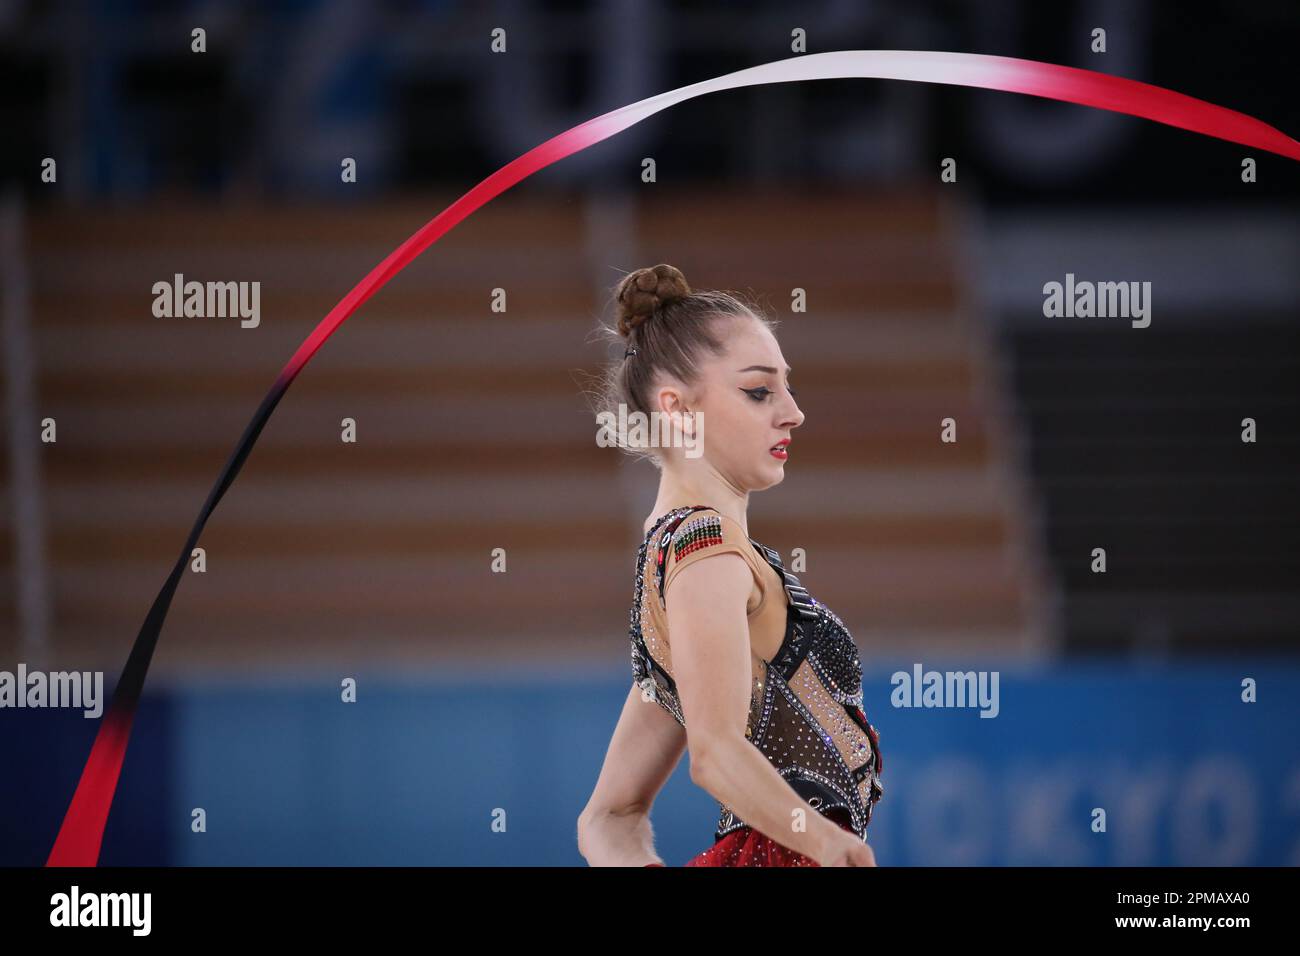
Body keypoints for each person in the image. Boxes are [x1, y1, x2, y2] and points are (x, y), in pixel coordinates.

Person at [576, 264, 884, 867]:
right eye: (760, 391)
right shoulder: (705, 549)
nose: (793, 412)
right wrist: (822, 840)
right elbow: (713, 753)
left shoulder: (683, 552)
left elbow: (610, 819)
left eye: (788, 388)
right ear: (678, 408)